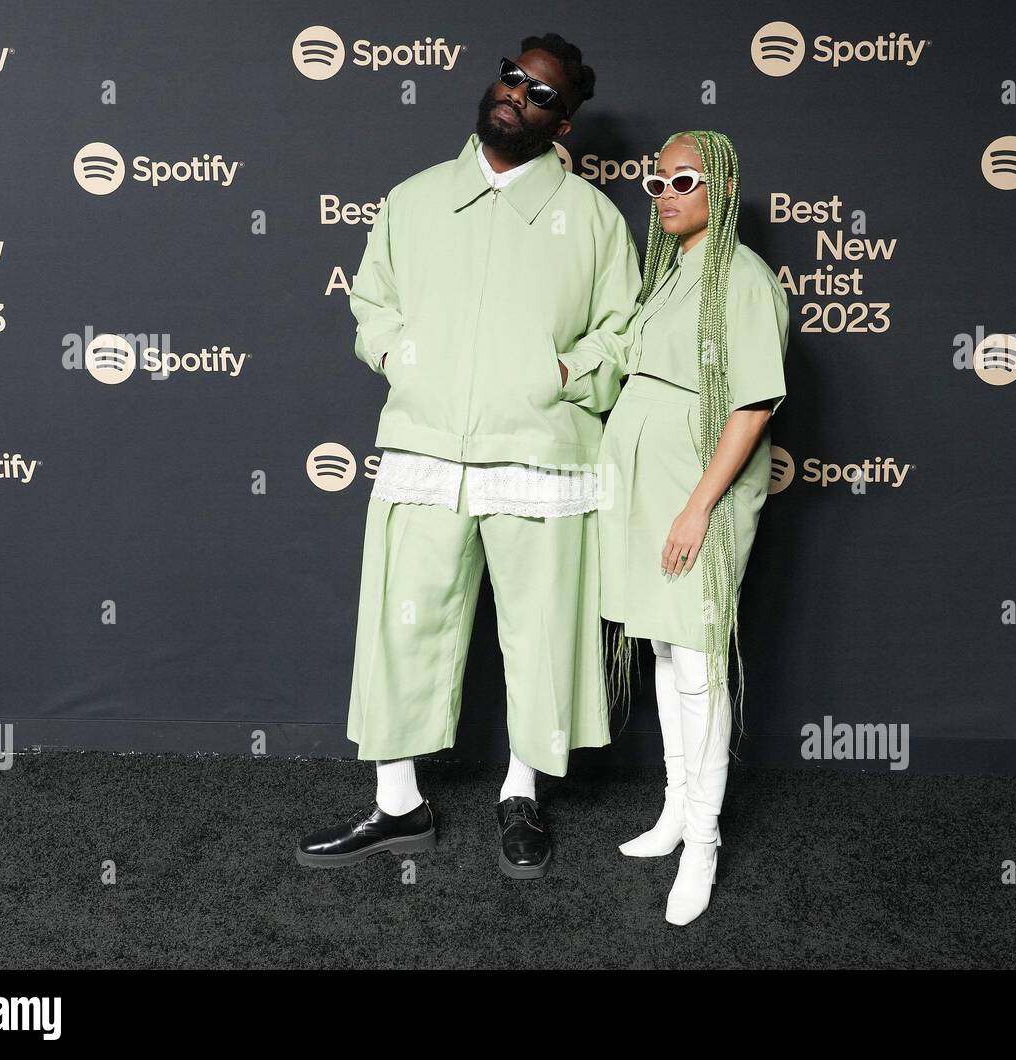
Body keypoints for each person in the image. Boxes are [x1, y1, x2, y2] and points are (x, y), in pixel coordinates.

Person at [296, 34, 642, 879]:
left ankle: (522, 794)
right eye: (514, 78)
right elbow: (371, 302)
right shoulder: (414, 199)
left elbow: (624, 332)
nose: (519, 95)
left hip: (541, 453)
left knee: (540, 634)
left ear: (563, 121)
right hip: (424, 447)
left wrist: (563, 373)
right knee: (403, 626)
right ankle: (396, 804)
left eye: (543, 93)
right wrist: (402, 358)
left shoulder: (592, 218)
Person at [599, 130, 790, 924]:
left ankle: (705, 844)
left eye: (686, 179)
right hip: (645, 486)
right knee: (665, 645)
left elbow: (753, 403)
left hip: (694, 491)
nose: (668, 191)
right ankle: (677, 810)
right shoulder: (670, 272)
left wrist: (698, 504)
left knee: (700, 661)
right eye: (658, 180)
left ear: (722, 187)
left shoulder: (740, 277)